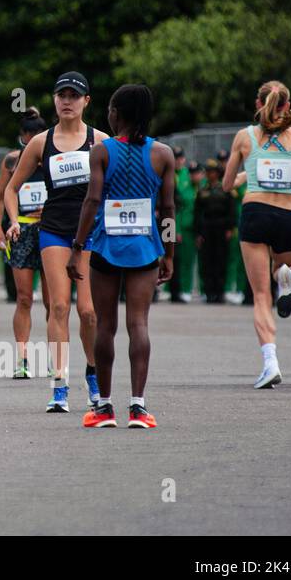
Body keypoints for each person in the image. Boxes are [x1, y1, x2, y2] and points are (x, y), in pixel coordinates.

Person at [69, 85, 176, 429]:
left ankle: (103, 408)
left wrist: (77, 247)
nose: (108, 114)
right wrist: (169, 252)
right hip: (144, 248)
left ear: (117, 113)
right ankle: (139, 408)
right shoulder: (163, 154)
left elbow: (92, 201)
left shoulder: (101, 151)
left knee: (105, 325)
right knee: (139, 324)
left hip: (106, 248)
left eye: (111, 109)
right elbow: (168, 210)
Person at [221, 81, 291, 389]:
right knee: (285, 270)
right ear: (287, 105)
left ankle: (270, 362)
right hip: (288, 215)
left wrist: (248, 170)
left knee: (261, 295)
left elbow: (226, 184)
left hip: (255, 213)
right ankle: (287, 278)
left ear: (258, 102)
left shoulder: (245, 137)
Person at [5, 71, 107, 412]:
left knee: (89, 311)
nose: (67, 101)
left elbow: (120, 186)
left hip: (91, 232)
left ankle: (94, 376)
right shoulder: (40, 142)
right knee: (59, 306)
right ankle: (59, 385)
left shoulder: (101, 141)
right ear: (53, 99)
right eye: (61, 95)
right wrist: (13, 221)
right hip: (54, 230)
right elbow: (10, 188)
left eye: (74, 96)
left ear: (86, 101)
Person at [0, 108, 51, 379]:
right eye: (29, 136)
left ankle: (54, 357)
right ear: (22, 136)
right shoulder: (12, 161)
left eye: (38, 135)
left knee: (54, 301)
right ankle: (23, 358)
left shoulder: (53, 159)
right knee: (24, 297)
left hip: (51, 231)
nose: (33, 141)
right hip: (22, 229)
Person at [193, 160, 234, 303]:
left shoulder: (225, 189)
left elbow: (231, 210)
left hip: (221, 227)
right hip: (206, 227)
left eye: (213, 172)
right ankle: (209, 292)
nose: (211, 174)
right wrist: (198, 232)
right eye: (209, 172)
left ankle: (220, 291)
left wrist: (230, 228)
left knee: (221, 260)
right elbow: (197, 213)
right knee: (207, 260)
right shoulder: (203, 190)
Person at [168, 147, 195, 302]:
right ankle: (168, 288)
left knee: (184, 258)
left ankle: (184, 289)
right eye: (175, 157)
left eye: (180, 157)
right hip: (170, 222)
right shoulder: (168, 172)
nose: (178, 160)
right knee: (168, 253)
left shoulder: (187, 174)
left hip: (183, 221)